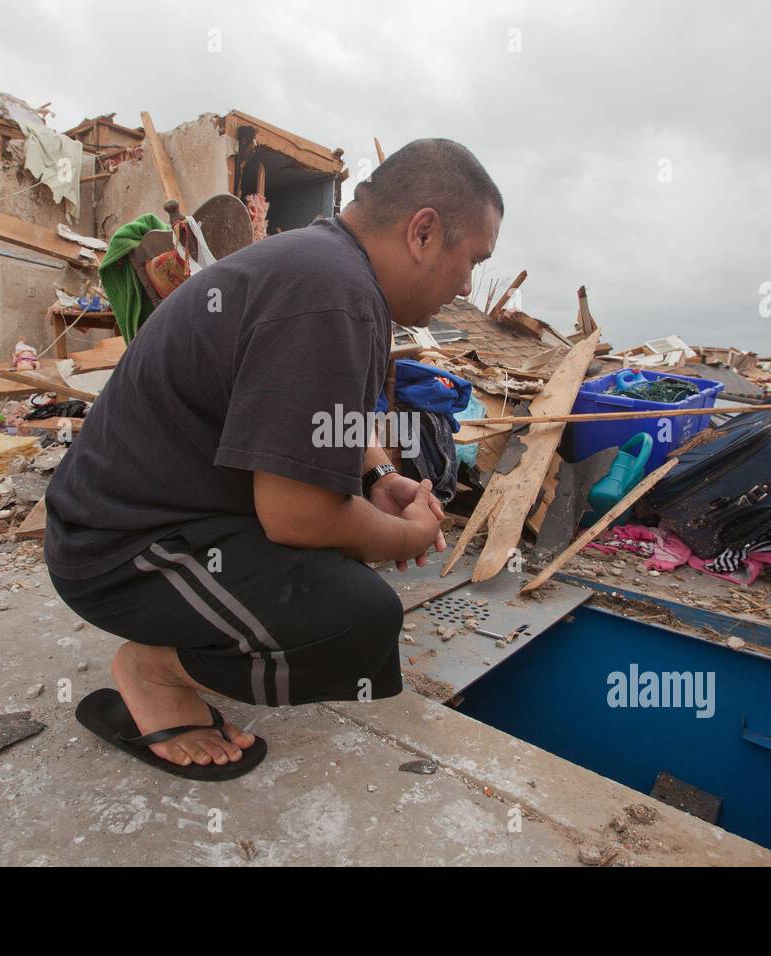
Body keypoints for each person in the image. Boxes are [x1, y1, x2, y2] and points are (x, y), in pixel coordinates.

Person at [45, 138, 503, 779]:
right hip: (118, 552)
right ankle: (155, 669)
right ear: (423, 231)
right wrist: (407, 532)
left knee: (344, 549)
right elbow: (296, 516)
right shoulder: (331, 293)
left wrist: (379, 476)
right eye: (472, 261)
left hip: (145, 517)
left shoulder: (327, 267)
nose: (465, 286)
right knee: (358, 622)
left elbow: (320, 416)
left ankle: (180, 640)